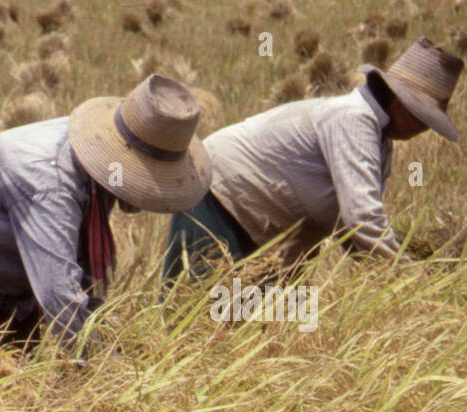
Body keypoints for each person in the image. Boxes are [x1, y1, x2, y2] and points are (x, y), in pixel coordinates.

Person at [0, 74, 211, 351]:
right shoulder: (48, 181)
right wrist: (108, 374)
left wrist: (101, 334)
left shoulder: (97, 167)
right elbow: (58, 294)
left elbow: (80, 276)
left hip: (13, 283)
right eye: (147, 179)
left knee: (15, 385)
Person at [164, 37, 464, 280]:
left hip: (255, 218)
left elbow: (347, 228)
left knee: (260, 315)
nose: (424, 128)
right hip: (216, 192)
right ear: (400, 101)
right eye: (422, 117)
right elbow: (363, 219)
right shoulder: (353, 119)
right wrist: (410, 275)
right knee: (197, 308)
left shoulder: (380, 141)